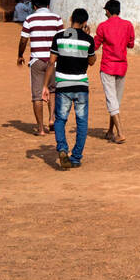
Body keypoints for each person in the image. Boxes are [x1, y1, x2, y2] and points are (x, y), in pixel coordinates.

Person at [42, 9, 95, 169]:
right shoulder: (88, 40)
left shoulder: (59, 37)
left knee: (60, 119)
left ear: (71, 19)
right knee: (81, 122)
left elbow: (51, 62)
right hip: (81, 85)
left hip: (63, 85)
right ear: (85, 22)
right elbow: (92, 61)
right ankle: (76, 157)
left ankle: (63, 148)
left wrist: (45, 85)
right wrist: (88, 39)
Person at [17, 0, 64, 135]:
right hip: (53, 60)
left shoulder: (30, 19)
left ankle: (41, 128)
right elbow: (61, 39)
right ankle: (51, 119)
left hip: (37, 59)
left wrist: (20, 55)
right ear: (48, 6)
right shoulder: (57, 18)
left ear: (34, 7)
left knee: (37, 95)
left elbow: (23, 40)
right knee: (53, 90)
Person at [94, 0, 135, 143]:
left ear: (108, 11)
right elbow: (131, 44)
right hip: (121, 66)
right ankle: (110, 131)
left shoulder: (103, 26)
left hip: (108, 66)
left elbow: (95, 45)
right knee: (115, 101)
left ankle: (120, 132)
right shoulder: (128, 25)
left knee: (112, 100)